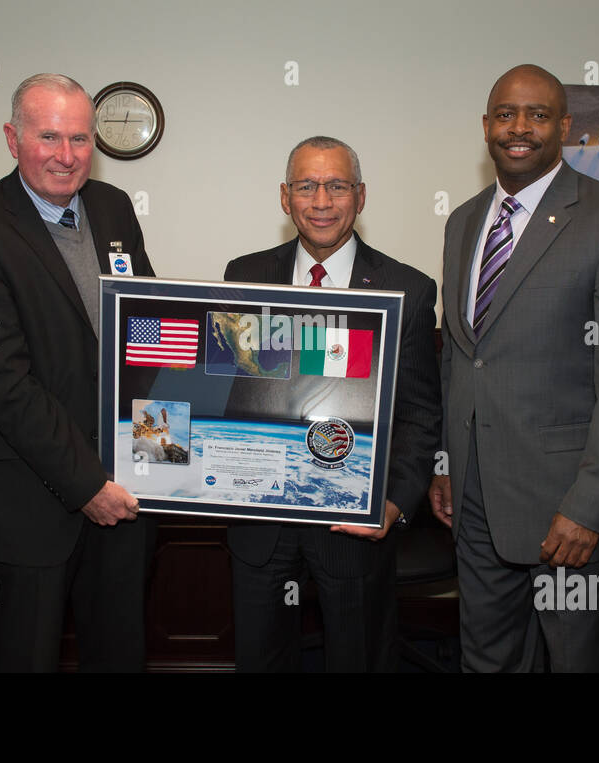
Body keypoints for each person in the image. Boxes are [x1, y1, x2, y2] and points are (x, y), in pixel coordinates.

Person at [428, 65, 599, 672]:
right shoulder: (463, 221)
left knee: (577, 662)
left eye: (538, 115)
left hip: (566, 507)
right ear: (485, 126)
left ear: (563, 126)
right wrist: (446, 465)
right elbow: (462, 357)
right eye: (506, 113)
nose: (520, 128)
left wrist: (589, 505)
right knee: (486, 659)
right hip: (475, 502)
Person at [0, 73, 155, 672]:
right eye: (50, 137)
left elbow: (147, 327)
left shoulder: (112, 208)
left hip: (125, 489)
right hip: (30, 503)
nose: (67, 156)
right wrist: (87, 485)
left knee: (119, 656)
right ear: (12, 138)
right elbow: (2, 383)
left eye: (81, 139)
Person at [223, 136, 441, 671]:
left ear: (360, 196)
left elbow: (419, 412)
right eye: (306, 185)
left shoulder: (407, 289)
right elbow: (228, 391)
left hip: (355, 528)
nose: (321, 200)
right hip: (260, 523)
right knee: (260, 658)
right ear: (284, 196)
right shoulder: (242, 276)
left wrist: (393, 502)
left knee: (359, 658)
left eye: (337, 185)